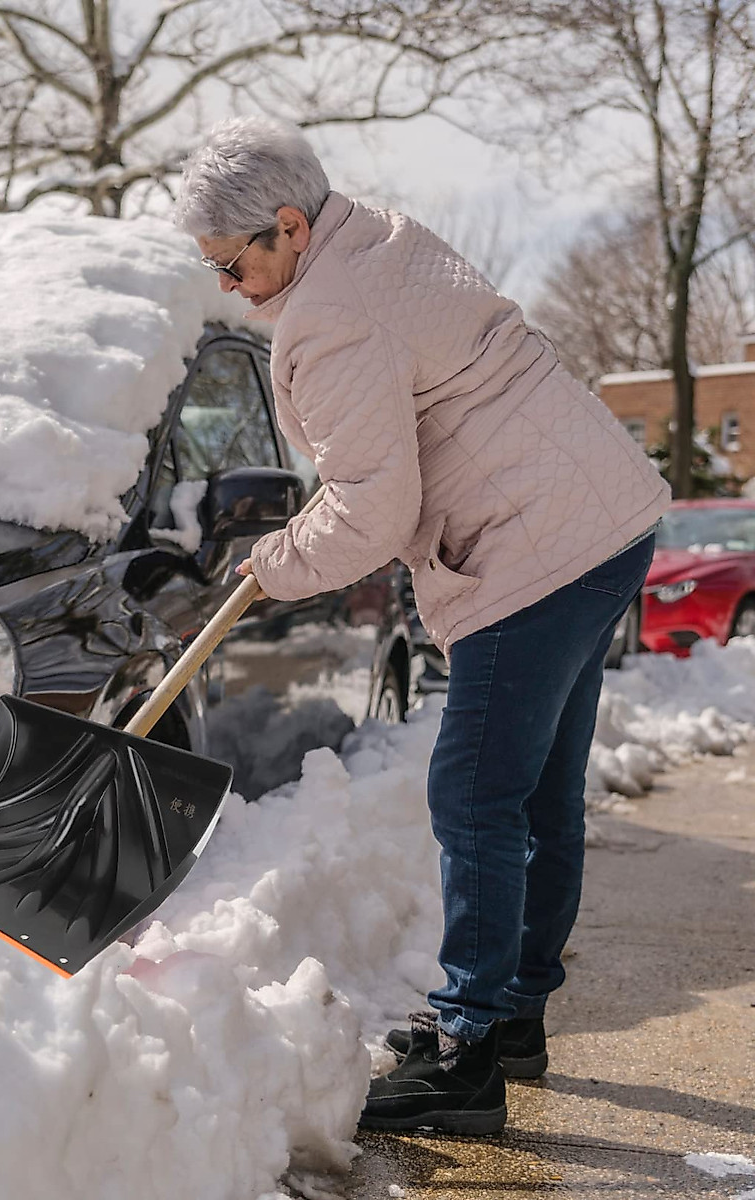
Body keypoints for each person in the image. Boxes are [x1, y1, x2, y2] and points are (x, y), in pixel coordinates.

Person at [173, 116, 670, 1136]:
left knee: (476, 793)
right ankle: (513, 1016)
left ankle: (467, 1052)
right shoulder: (378, 238)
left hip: (533, 551)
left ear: (286, 226)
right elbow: (386, 457)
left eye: (233, 265)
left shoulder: (332, 313)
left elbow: (373, 510)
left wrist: (277, 562)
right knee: (535, 792)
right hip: (600, 522)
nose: (229, 287)